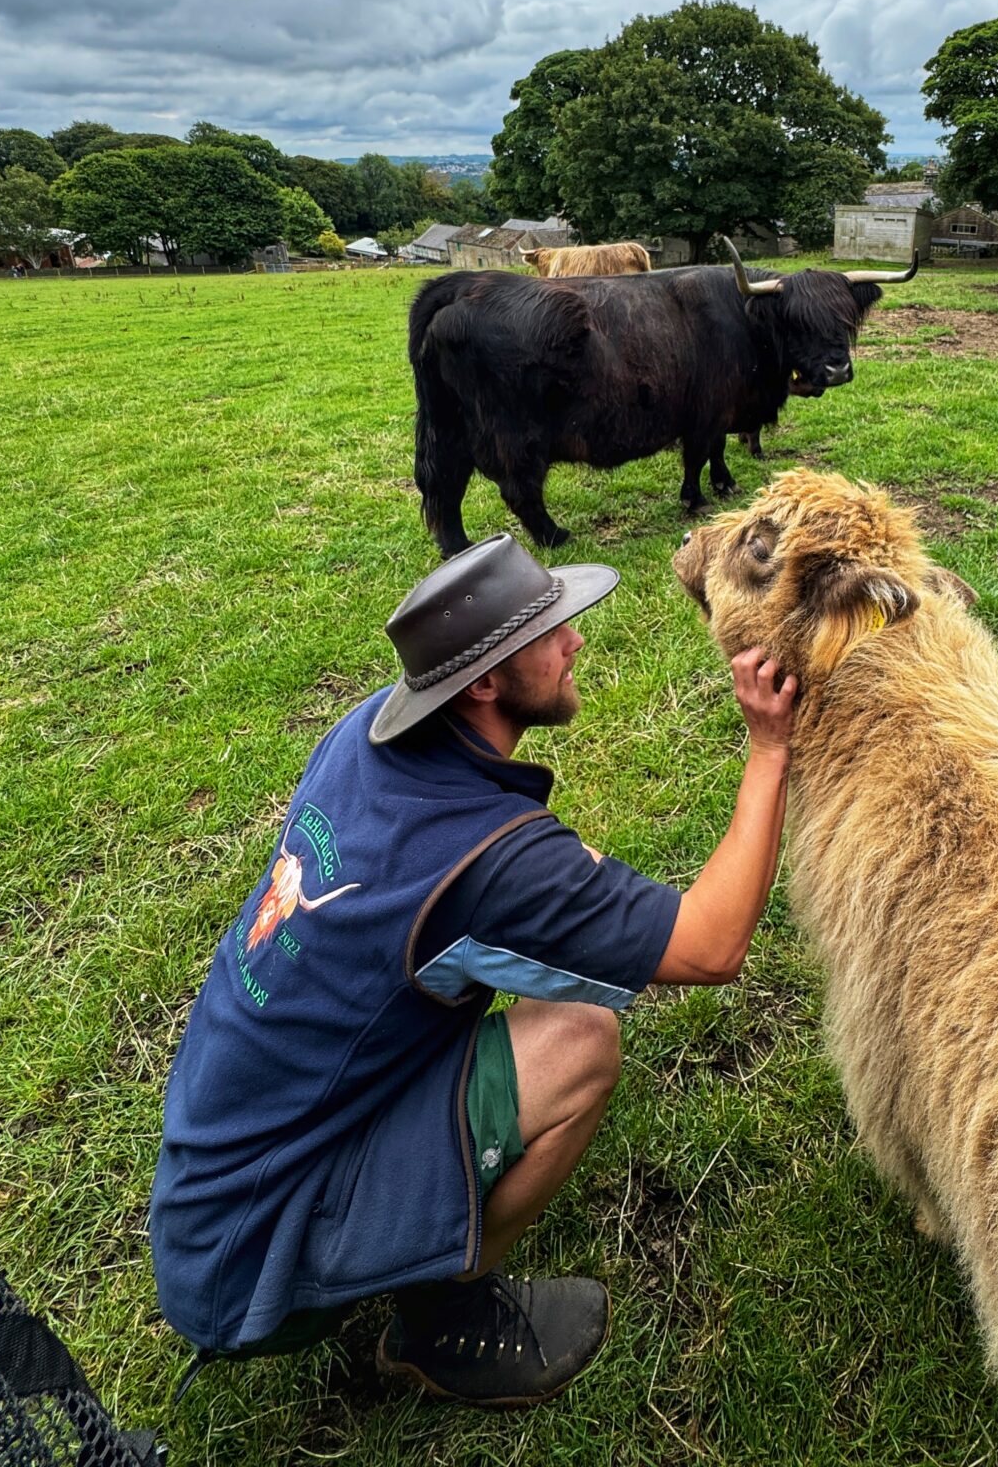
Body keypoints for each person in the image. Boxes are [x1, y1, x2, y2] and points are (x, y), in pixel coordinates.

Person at [150, 529, 795, 1410]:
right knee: (579, 1044)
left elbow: (491, 886)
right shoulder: (488, 865)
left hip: (214, 1160)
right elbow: (714, 946)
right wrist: (768, 748)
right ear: (484, 682)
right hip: (250, 1252)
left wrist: (566, 893)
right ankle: (440, 1321)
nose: (576, 641)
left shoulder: (368, 732)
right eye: (550, 632)